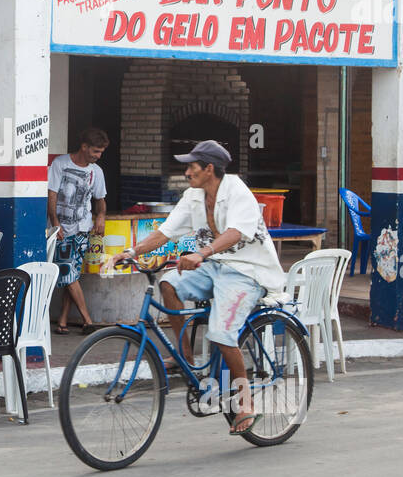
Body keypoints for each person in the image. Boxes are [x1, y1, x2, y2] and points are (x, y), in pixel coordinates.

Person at [110, 140, 286, 435]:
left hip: (247, 272)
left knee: (220, 333)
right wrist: (132, 253)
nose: (187, 171)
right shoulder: (193, 195)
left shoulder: (237, 191)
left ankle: (246, 401)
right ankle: (186, 356)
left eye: (192, 166)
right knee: (168, 283)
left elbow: (235, 233)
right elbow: (165, 231)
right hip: (213, 267)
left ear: (209, 169)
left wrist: (201, 253)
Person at [48, 128, 109, 335]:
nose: (98, 156)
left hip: (83, 229)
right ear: (84, 147)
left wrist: (100, 217)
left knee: (72, 275)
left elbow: (100, 200)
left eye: (101, 152)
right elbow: (52, 195)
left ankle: (63, 320)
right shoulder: (60, 164)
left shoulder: (97, 172)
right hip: (62, 230)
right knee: (68, 272)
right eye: (96, 151)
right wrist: (55, 224)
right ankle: (88, 319)